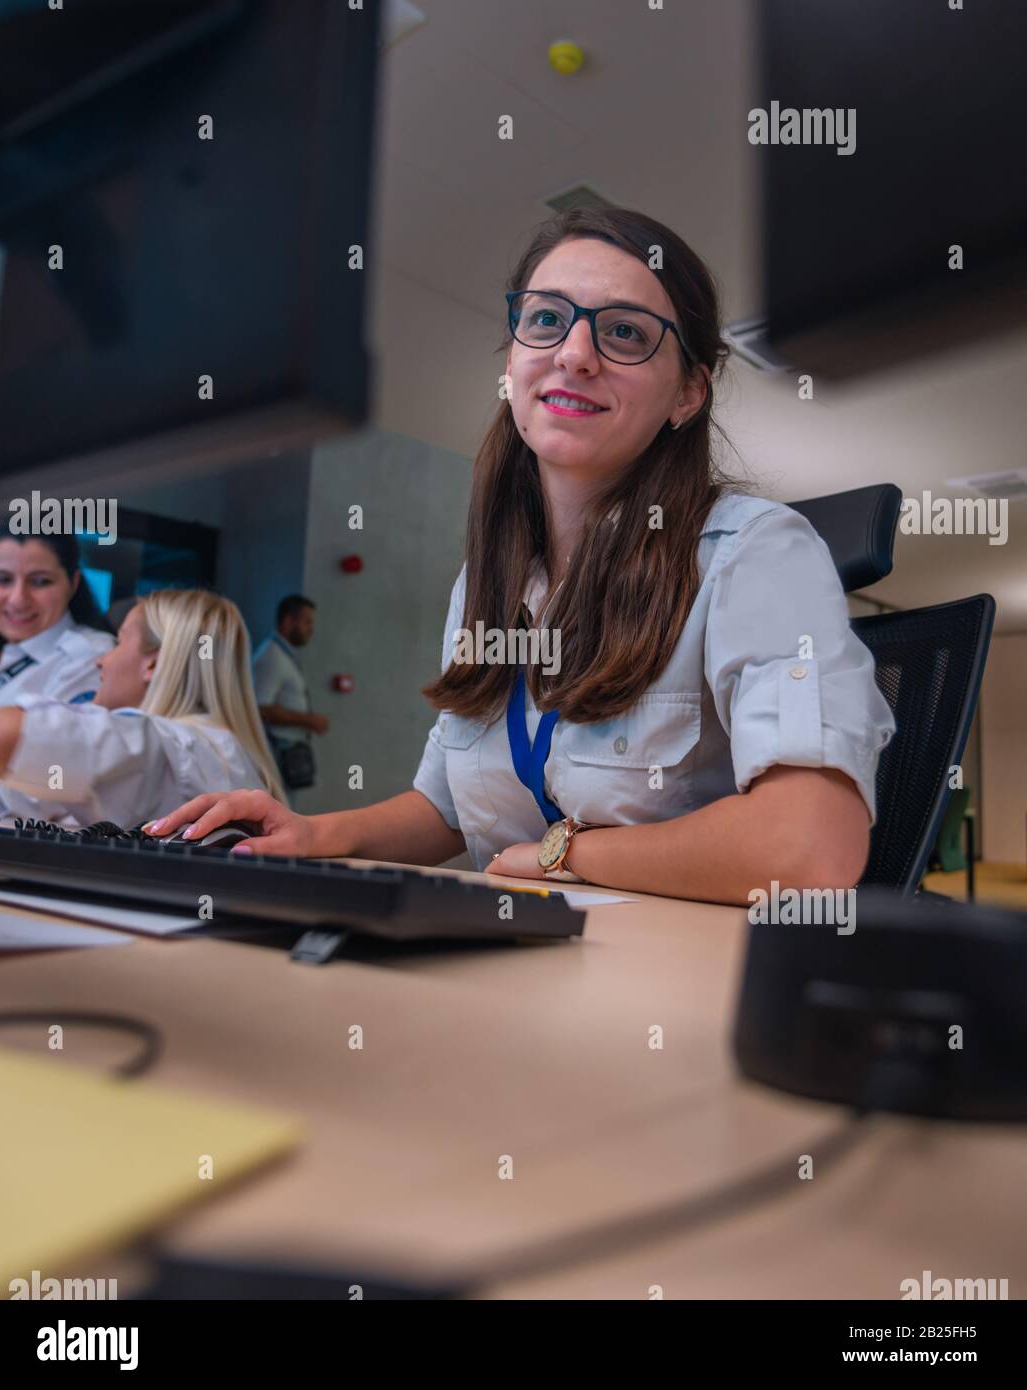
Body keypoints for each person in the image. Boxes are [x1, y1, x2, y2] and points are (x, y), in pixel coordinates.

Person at [148, 207, 895, 907]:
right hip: (522, 960)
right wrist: (313, 834)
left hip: (670, 990)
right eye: (546, 319)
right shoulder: (489, 581)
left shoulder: (754, 553)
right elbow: (445, 809)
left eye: (626, 334)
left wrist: (564, 854)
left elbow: (808, 846)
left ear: (688, 394)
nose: (574, 354)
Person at [0, 588, 284, 828]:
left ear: (152, 664)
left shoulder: (169, 745)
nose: (101, 660)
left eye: (118, 642)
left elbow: (6, 735)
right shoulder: (217, 747)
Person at [0, 528, 114, 709]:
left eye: (41, 582)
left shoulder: (93, 658)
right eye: (1, 579)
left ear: (73, 583)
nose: (18, 600)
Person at [252, 595, 328, 798]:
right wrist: (308, 720)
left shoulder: (282, 654)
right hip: (274, 753)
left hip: (284, 754)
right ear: (288, 621)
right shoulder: (272, 657)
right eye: (306, 622)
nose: (311, 629)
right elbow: (261, 709)